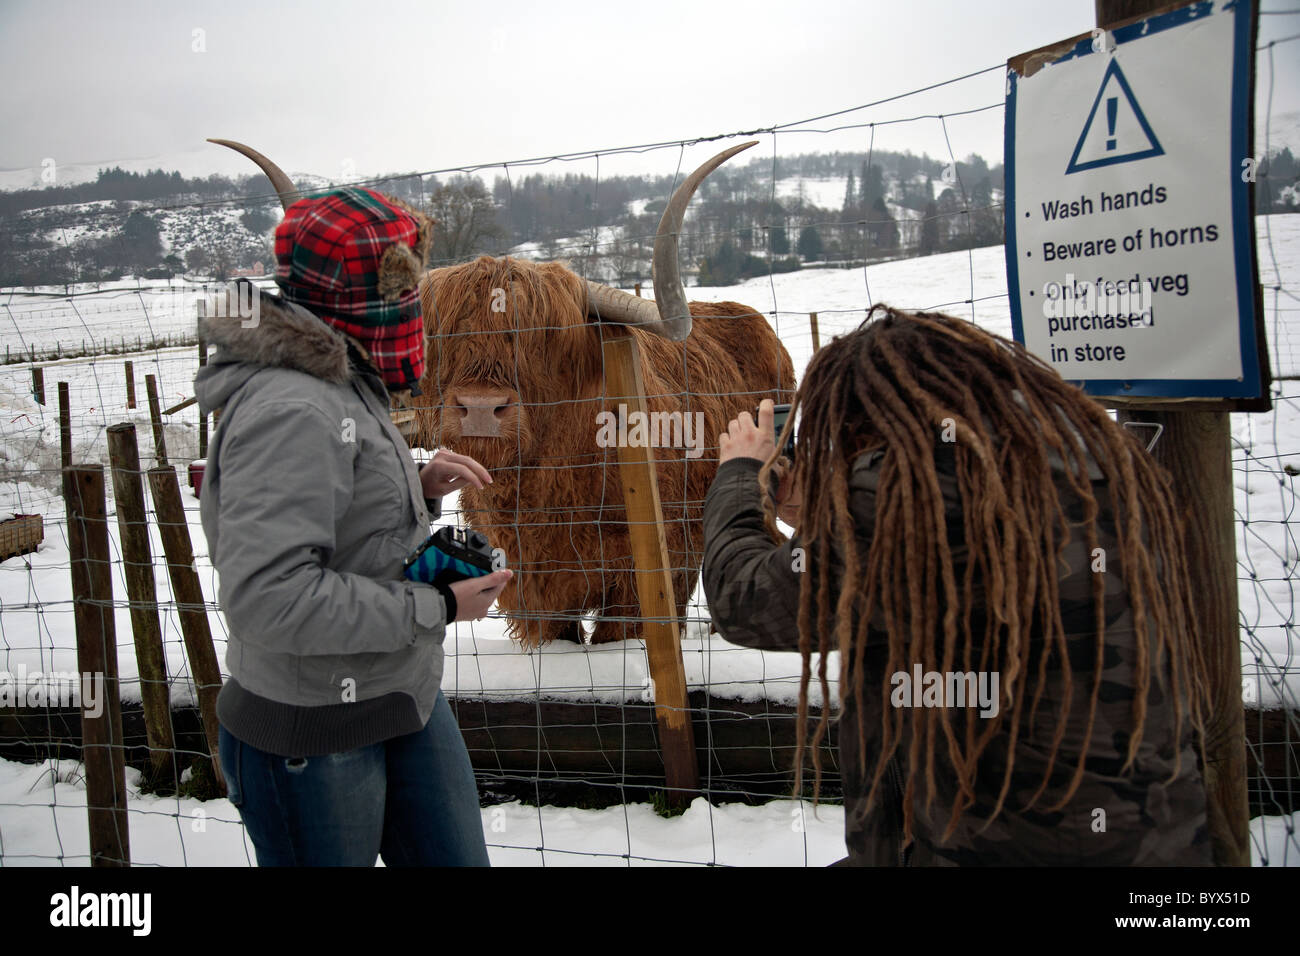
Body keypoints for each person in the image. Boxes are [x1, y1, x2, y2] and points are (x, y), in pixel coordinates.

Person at [702, 305, 1211, 866]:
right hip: (1156, 845)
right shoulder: (1092, 465)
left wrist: (740, 474)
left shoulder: (912, 498)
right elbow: (911, 570)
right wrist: (828, 517)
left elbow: (741, 600)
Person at [195, 186, 512, 866]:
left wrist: (418, 488)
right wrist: (437, 605)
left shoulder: (339, 371)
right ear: (344, 293)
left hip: (399, 697)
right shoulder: (293, 409)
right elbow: (270, 599)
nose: (410, 306)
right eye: (394, 287)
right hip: (312, 736)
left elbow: (339, 519)